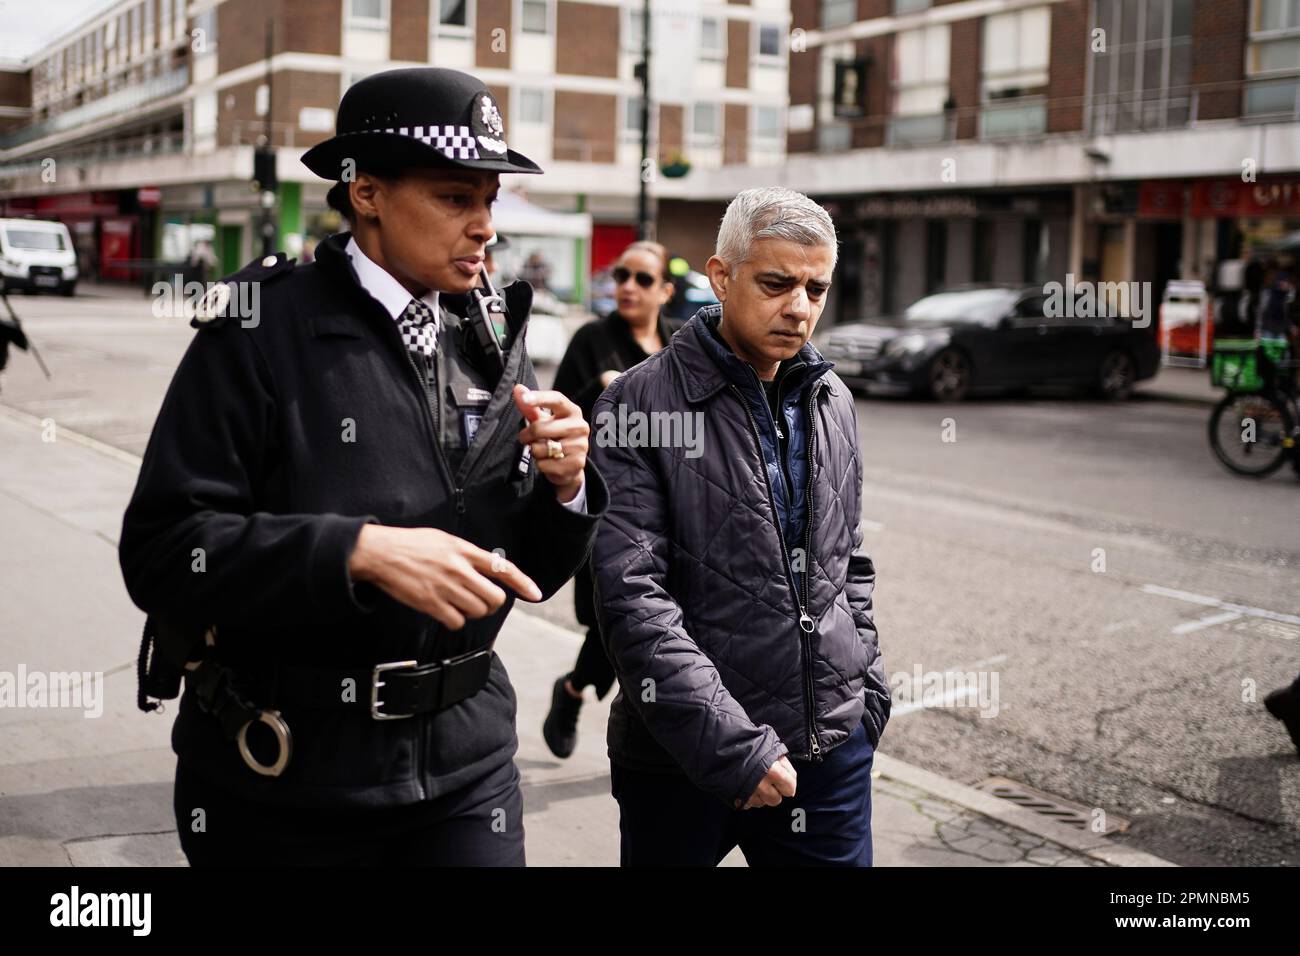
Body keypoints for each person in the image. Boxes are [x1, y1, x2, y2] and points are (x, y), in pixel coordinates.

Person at [119, 67, 607, 867]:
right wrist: (357, 551)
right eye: (456, 198)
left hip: (467, 769)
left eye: (490, 199)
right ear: (368, 192)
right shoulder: (260, 327)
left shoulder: (489, 327)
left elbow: (523, 572)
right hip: (284, 779)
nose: (485, 225)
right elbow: (166, 549)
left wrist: (566, 485)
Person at [590, 186, 890, 866]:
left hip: (828, 756)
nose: (799, 308)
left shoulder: (831, 397)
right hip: (678, 757)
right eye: (777, 283)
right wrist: (730, 746)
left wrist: (866, 694)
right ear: (721, 277)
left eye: (817, 289)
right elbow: (631, 599)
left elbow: (850, 564)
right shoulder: (638, 402)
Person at [541, 240, 681, 758]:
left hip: (668, 511)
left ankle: (613, 715)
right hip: (606, 511)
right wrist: (600, 391)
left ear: (665, 291)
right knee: (615, 623)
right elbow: (554, 419)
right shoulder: (592, 340)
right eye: (622, 275)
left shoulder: (677, 346)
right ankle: (576, 693)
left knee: (659, 623)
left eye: (643, 279)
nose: (627, 286)